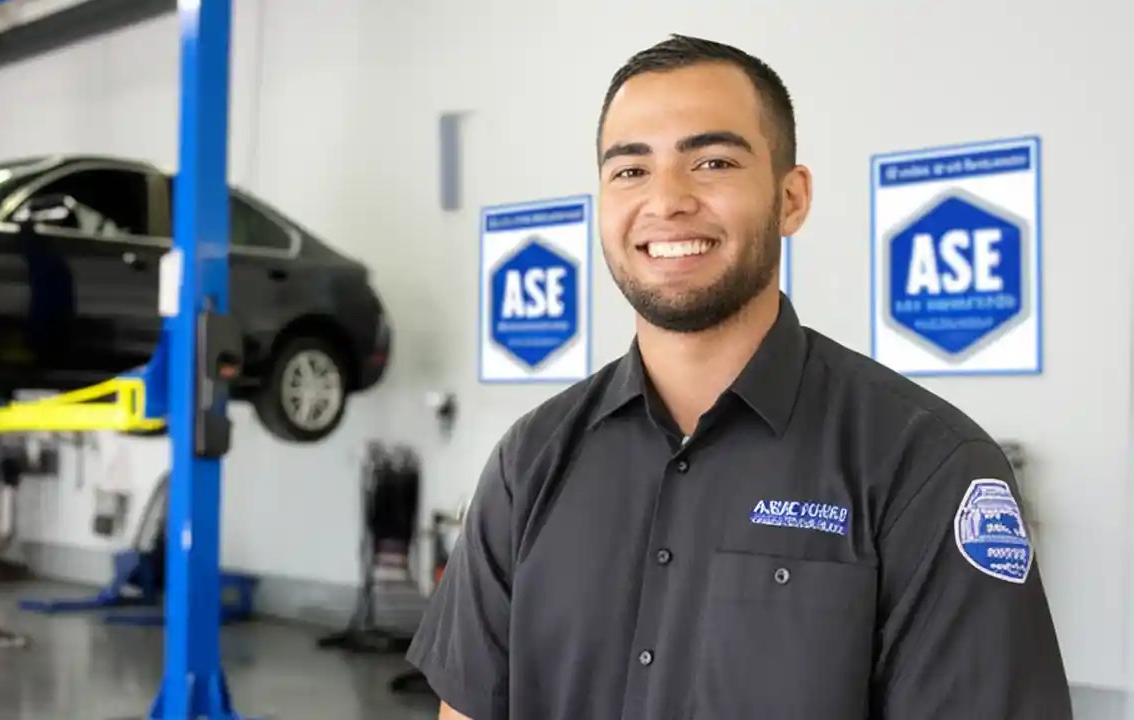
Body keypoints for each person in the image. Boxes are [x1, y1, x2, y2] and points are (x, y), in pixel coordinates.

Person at [405, 34, 1071, 720]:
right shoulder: (530, 462)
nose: (666, 201)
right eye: (630, 171)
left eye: (713, 161)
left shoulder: (926, 468)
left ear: (791, 198)